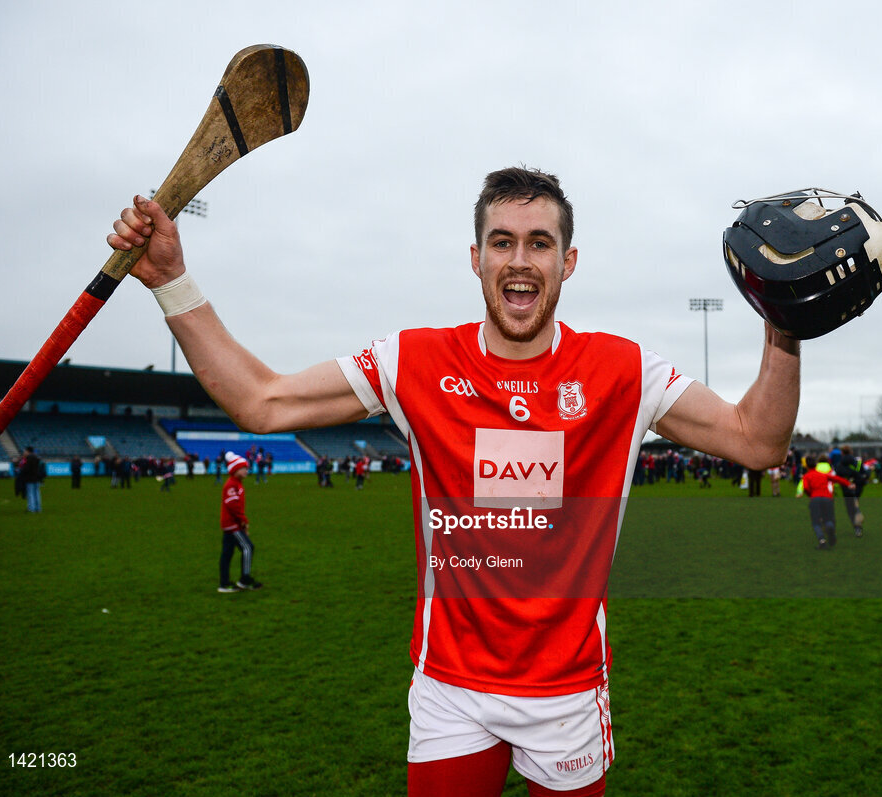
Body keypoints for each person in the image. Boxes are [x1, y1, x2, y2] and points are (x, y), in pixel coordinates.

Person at [108, 167, 800, 797]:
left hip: (565, 693)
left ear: (568, 262)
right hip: (450, 691)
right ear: (476, 259)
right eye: (502, 242)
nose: (520, 260)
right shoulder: (414, 361)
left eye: (539, 243)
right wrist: (171, 279)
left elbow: (757, 439)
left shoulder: (624, 371)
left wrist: (785, 322)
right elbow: (263, 402)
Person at [218, 451, 262, 593]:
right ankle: (244, 579)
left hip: (230, 524)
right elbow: (233, 506)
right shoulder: (232, 485)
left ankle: (224, 583)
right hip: (232, 525)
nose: (246, 471)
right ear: (235, 469)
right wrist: (243, 521)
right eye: (243, 468)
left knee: (227, 553)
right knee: (248, 547)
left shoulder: (236, 483)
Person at [796, 454, 852, 549]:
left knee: (816, 522)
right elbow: (836, 479)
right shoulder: (822, 474)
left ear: (806, 466)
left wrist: (810, 495)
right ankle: (830, 527)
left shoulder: (806, 476)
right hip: (828, 498)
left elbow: (806, 488)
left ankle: (822, 541)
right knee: (828, 519)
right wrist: (848, 484)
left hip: (815, 499)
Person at [833, 445, 866, 537]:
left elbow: (838, 477)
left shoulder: (839, 465)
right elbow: (864, 473)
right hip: (858, 487)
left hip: (847, 488)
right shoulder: (857, 463)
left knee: (850, 509)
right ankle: (858, 517)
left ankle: (857, 527)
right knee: (855, 503)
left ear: (842, 453)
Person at [21, 446, 44, 513]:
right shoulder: (37, 457)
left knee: (30, 493)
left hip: (30, 478)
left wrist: (22, 469)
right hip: (36, 478)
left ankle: (31, 508)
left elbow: (27, 469)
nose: (24, 453)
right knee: (37, 493)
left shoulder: (29, 458)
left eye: (25, 451)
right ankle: (38, 508)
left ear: (28, 451)